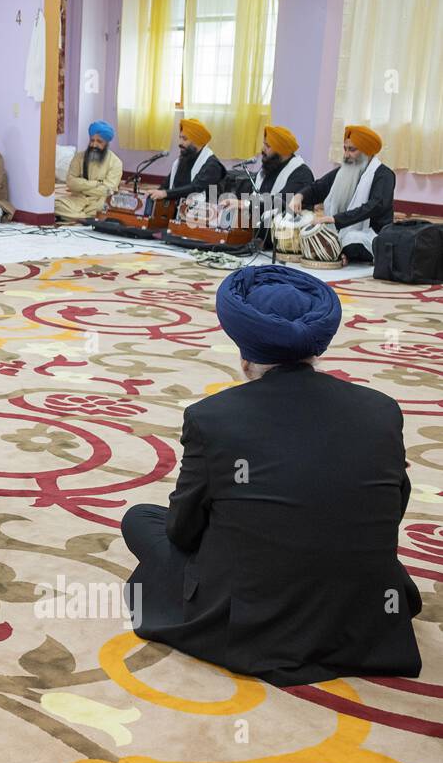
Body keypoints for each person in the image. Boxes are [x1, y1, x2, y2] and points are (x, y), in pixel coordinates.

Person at [121, 264, 422, 686]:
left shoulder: (213, 418)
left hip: (254, 617)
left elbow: (183, 531)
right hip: (363, 609)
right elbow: (392, 506)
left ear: (244, 356)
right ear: (316, 348)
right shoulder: (381, 408)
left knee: (140, 519)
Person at [288, 125, 395, 264]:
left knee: (352, 241)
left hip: (373, 233)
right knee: (310, 233)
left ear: (367, 152)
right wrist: (299, 196)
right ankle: (341, 252)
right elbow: (318, 187)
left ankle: (345, 253)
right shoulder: (344, 170)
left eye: (352, 150)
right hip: (341, 229)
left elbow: (375, 206)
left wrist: (335, 219)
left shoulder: (384, 175)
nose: (346, 155)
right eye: (345, 149)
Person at [243, 125, 313, 235]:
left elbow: (280, 202)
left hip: (285, 235)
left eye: (268, 146)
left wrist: (245, 204)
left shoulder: (301, 174)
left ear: (281, 150)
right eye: (264, 144)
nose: (263, 149)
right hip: (259, 230)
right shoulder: (270, 166)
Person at [54, 120, 123, 222]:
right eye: (92, 140)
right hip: (77, 199)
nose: (94, 145)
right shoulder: (79, 157)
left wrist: (81, 187)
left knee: (108, 210)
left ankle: (76, 217)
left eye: (99, 142)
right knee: (55, 205)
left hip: (99, 201)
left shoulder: (116, 162)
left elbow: (108, 190)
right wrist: (96, 184)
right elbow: (70, 182)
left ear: (107, 143)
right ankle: (87, 219)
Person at [149, 118, 225, 205]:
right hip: (180, 208)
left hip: (205, 213)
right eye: (180, 138)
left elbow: (195, 187)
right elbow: (168, 183)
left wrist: (165, 193)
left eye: (185, 139)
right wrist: (155, 193)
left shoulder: (212, 165)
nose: (180, 143)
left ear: (197, 141)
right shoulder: (184, 158)